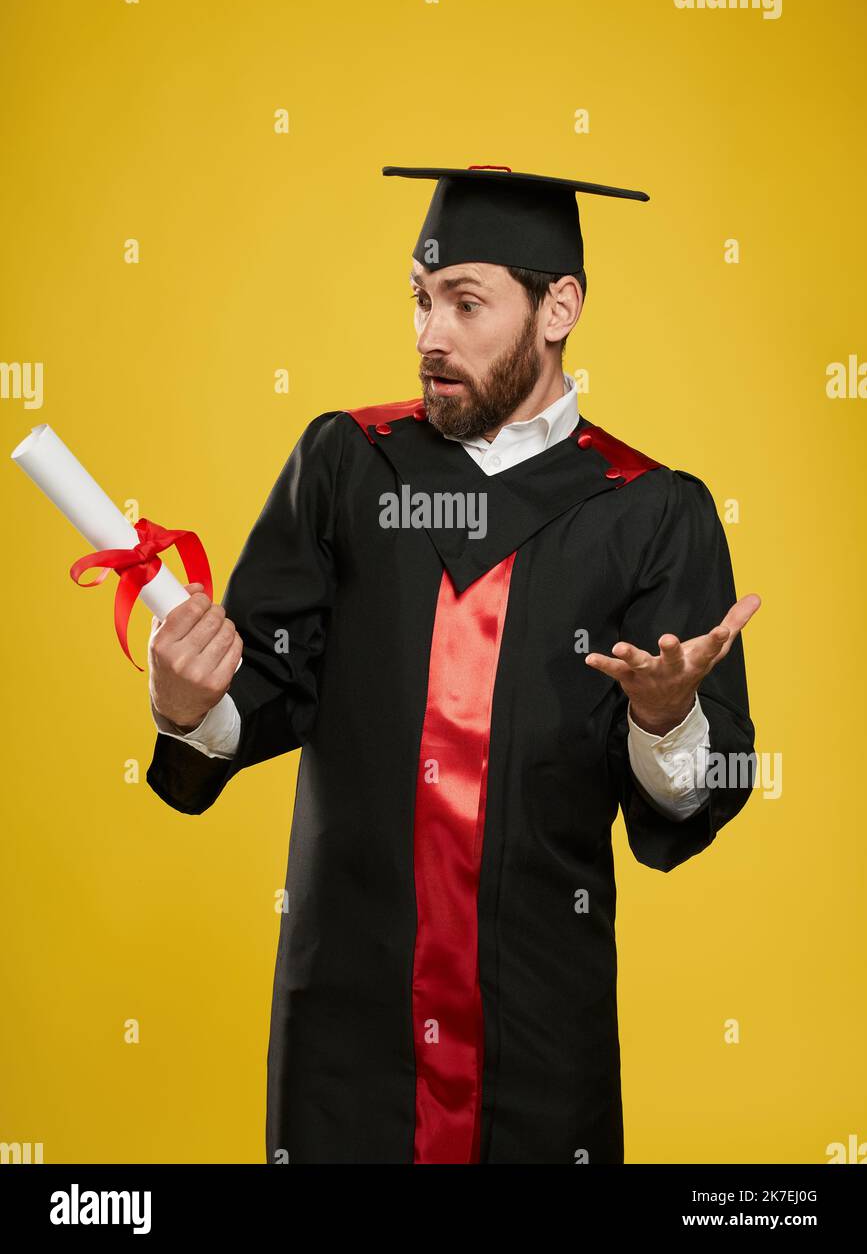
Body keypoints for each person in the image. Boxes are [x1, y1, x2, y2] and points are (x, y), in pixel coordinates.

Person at [146, 164, 760, 1164]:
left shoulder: (652, 512)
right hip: (350, 1016)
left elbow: (688, 804)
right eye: (422, 300)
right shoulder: (348, 462)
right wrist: (185, 706)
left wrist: (664, 721)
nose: (431, 334)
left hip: (537, 1026)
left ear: (558, 306)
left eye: (466, 303)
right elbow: (259, 689)